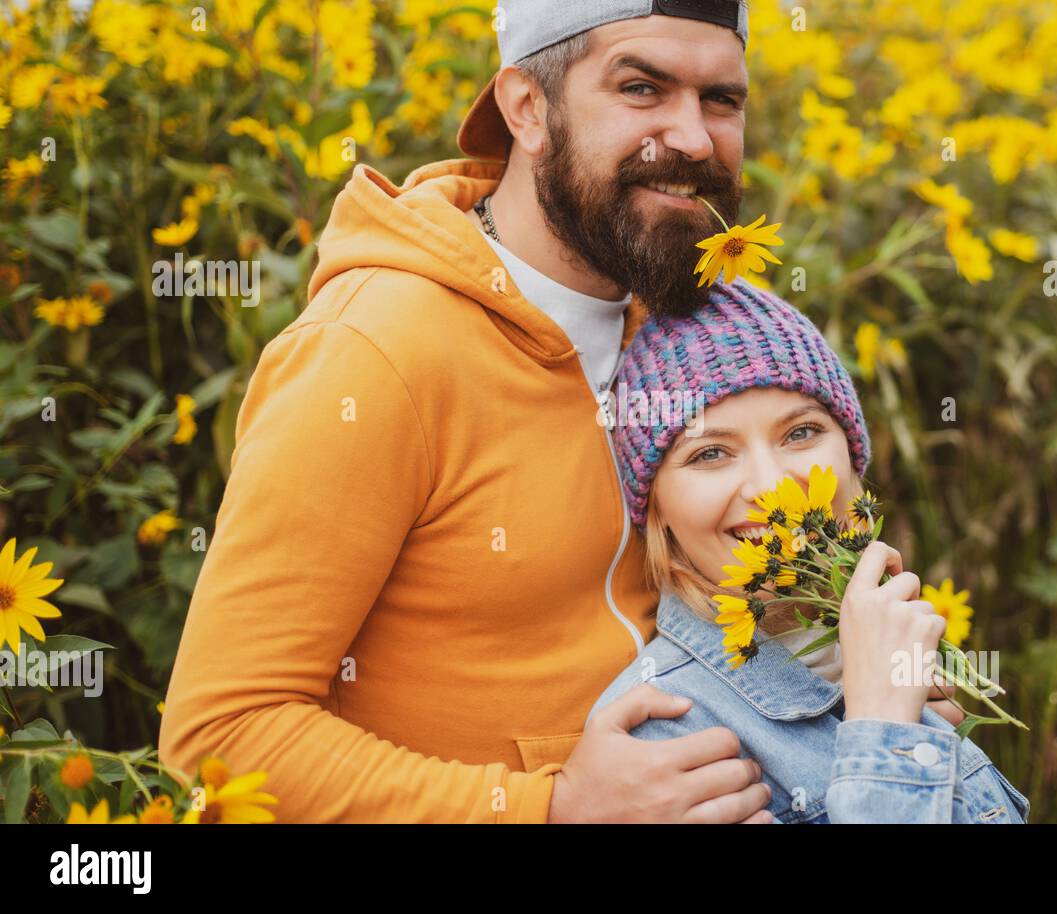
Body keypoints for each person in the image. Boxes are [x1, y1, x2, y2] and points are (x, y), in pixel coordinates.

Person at [160, 0, 777, 822]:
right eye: (641, 88)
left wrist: (854, 687)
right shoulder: (376, 354)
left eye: (722, 101)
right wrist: (546, 809)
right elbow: (220, 736)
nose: (695, 138)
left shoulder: (685, 321)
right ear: (526, 106)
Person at [589, 279, 1032, 823]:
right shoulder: (665, 741)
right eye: (709, 453)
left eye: (800, 433)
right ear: (654, 509)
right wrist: (883, 732)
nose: (772, 485)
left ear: (852, 456)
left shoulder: (888, 660)